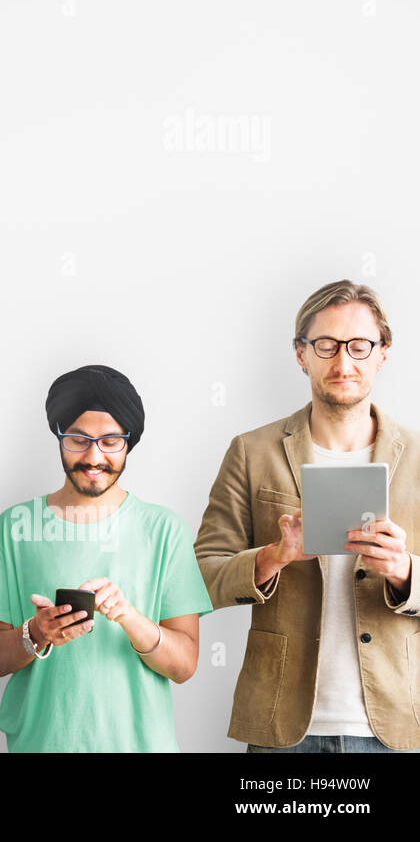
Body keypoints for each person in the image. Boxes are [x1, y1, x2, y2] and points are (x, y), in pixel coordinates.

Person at [195, 279, 420, 752]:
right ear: (301, 354)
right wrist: (273, 558)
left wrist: (403, 571)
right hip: (282, 723)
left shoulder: (419, 457)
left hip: (396, 723)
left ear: (383, 353)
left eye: (360, 346)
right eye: (326, 345)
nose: (343, 363)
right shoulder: (251, 451)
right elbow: (201, 573)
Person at [0, 365, 212, 752]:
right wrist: (37, 633)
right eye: (78, 439)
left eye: (110, 441)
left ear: (128, 443)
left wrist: (129, 617)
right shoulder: (14, 527)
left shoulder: (165, 530)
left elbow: (183, 666)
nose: (93, 455)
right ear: (59, 436)